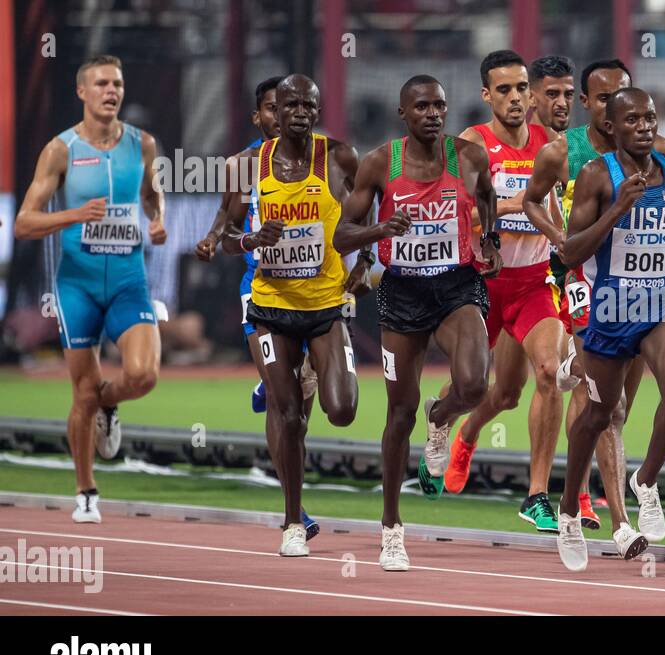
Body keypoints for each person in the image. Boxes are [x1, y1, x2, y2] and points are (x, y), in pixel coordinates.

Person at [522, 58, 665, 536]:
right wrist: (562, 233)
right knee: (605, 409)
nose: (632, 117)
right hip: (593, 286)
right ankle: (588, 507)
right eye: (607, 99)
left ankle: (641, 487)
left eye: (634, 103)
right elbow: (547, 219)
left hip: (658, 293)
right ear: (595, 109)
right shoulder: (570, 157)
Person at [335, 75, 502, 571]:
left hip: (455, 284)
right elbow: (342, 236)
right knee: (398, 414)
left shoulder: (468, 157)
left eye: (440, 106)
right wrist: (380, 230)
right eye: (423, 106)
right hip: (402, 292)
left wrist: (488, 239)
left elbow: (489, 198)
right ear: (402, 113)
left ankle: (443, 415)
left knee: (474, 384)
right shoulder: (378, 164)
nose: (433, 113)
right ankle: (391, 526)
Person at [195, 75, 371, 541]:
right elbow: (227, 229)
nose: (287, 114)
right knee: (287, 409)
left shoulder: (338, 157)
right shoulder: (245, 165)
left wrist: (366, 262)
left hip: (324, 302)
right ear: (262, 114)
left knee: (341, 409)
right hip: (265, 298)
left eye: (300, 105)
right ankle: (294, 519)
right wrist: (245, 240)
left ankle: (285, 377)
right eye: (278, 106)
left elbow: (367, 203)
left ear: (316, 109)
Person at [14, 55, 167, 524]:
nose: (111, 91)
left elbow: (150, 193)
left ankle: (110, 400)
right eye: (101, 83)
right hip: (77, 286)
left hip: (127, 281)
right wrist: (73, 216)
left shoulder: (142, 144)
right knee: (81, 392)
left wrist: (157, 218)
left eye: (117, 83)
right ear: (82, 92)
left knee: (143, 375)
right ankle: (86, 491)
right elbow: (23, 223)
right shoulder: (59, 150)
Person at [442, 50, 566, 534]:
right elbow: (461, 216)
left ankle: (537, 495)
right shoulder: (472, 144)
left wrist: (560, 232)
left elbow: (554, 215)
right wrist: (519, 201)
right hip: (480, 285)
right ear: (486, 95)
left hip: (533, 282)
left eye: (521, 90)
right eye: (505, 90)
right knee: (492, 393)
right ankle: (457, 429)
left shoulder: (549, 144)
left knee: (550, 373)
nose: (515, 99)